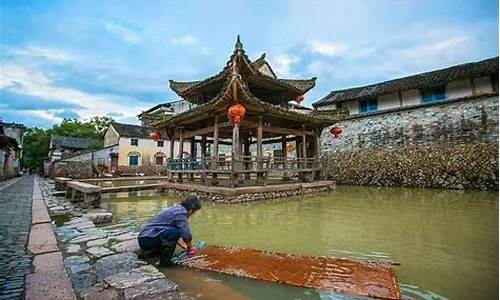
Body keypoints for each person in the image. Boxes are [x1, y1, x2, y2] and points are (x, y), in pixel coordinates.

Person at [138, 195, 201, 266]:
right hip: (147, 241)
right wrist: (190, 248)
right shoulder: (181, 214)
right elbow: (186, 235)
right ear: (191, 209)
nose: (193, 214)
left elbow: (174, 234)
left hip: (145, 237)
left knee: (173, 232)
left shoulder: (175, 209)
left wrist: (184, 246)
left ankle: (158, 254)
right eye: (194, 211)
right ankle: (165, 263)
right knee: (174, 232)